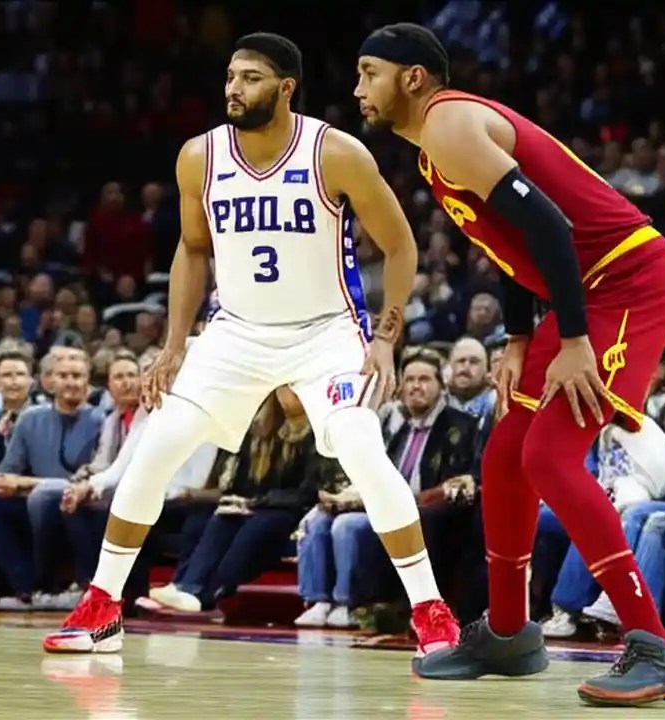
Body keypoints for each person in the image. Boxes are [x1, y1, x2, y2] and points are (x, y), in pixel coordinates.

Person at [44, 32, 460, 663]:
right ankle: (103, 606)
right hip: (235, 331)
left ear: (286, 88)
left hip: (325, 331)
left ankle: (431, 611)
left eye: (251, 78)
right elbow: (191, 249)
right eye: (231, 76)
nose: (234, 89)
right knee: (154, 448)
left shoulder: (334, 152)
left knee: (360, 449)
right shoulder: (199, 157)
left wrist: (385, 338)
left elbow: (401, 245)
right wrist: (174, 342)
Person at [353, 22, 665, 704]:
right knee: (504, 453)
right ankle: (511, 635)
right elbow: (514, 244)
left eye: (370, 72)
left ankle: (655, 645)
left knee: (549, 456)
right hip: (580, 295)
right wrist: (517, 339)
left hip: (628, 283)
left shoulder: (450, 124)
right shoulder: (437, 146)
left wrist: (571, 341)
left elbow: (550, 228)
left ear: (414, 77)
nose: (358, 88)